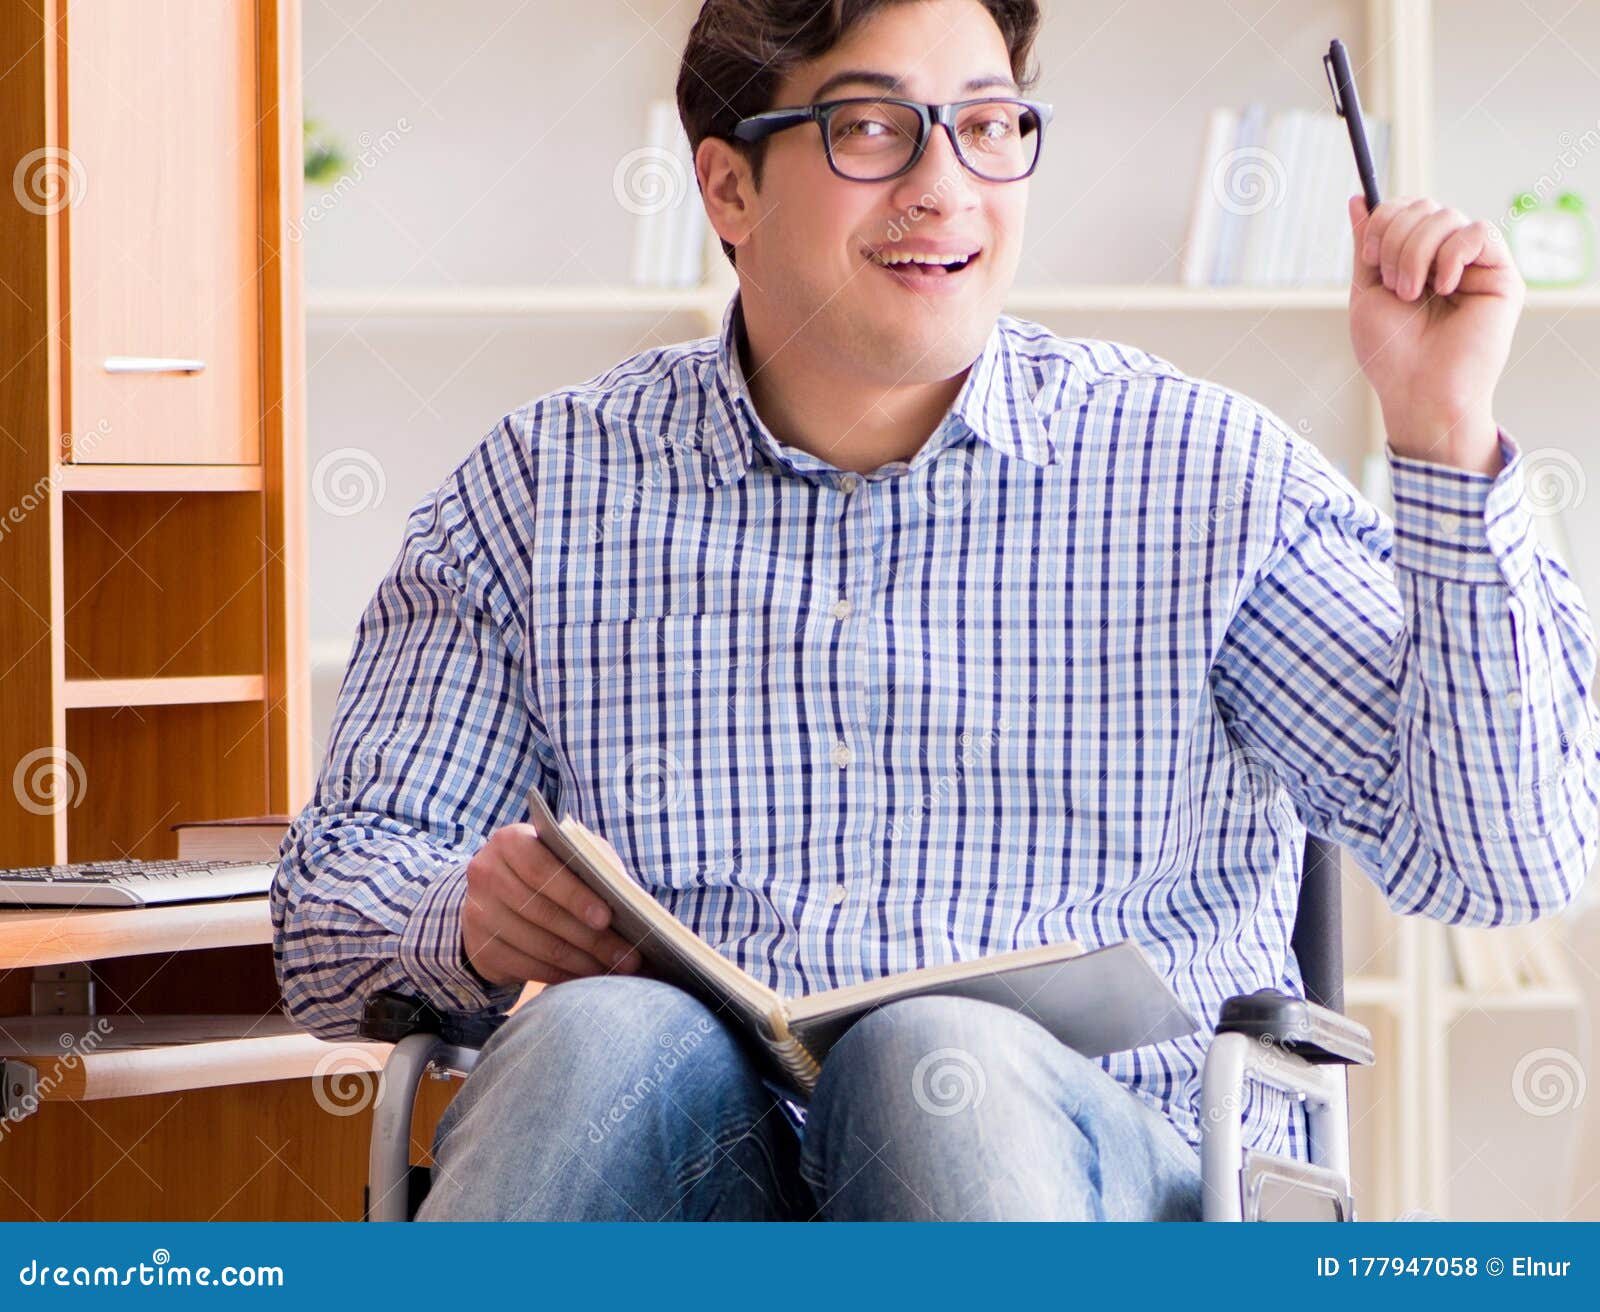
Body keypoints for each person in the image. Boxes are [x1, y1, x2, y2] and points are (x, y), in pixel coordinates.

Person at [272, 0, 1599, 1221]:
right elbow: (324, 910)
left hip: (1100, 1177)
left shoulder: (1203, 477)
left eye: (987, 125)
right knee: (597, 1034)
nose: (945, 187)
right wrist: (459, 919)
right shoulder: (539, 492)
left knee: (932, 1058)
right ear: (728, 185)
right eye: (869, 129)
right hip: (699, 1175)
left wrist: (1440, 430)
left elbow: (1505, 864)